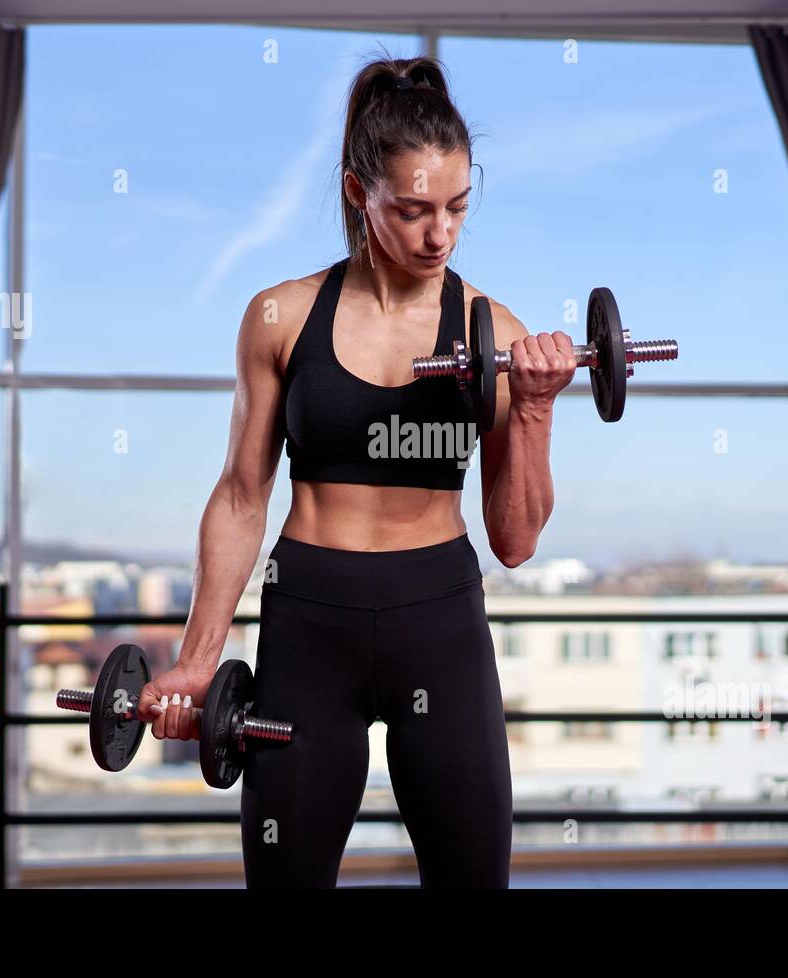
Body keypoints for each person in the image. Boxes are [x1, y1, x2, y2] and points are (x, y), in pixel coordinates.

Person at [137, 53, 576, 888]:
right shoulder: (281, 316)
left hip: (439, 624)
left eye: (456, 207)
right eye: (412, 210)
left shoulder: (495, 328)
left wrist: (536, 407)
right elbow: (240, 496)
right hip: (311, 623)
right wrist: (199, 658)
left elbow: (515, 541)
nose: (439, 233)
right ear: (355, 191)